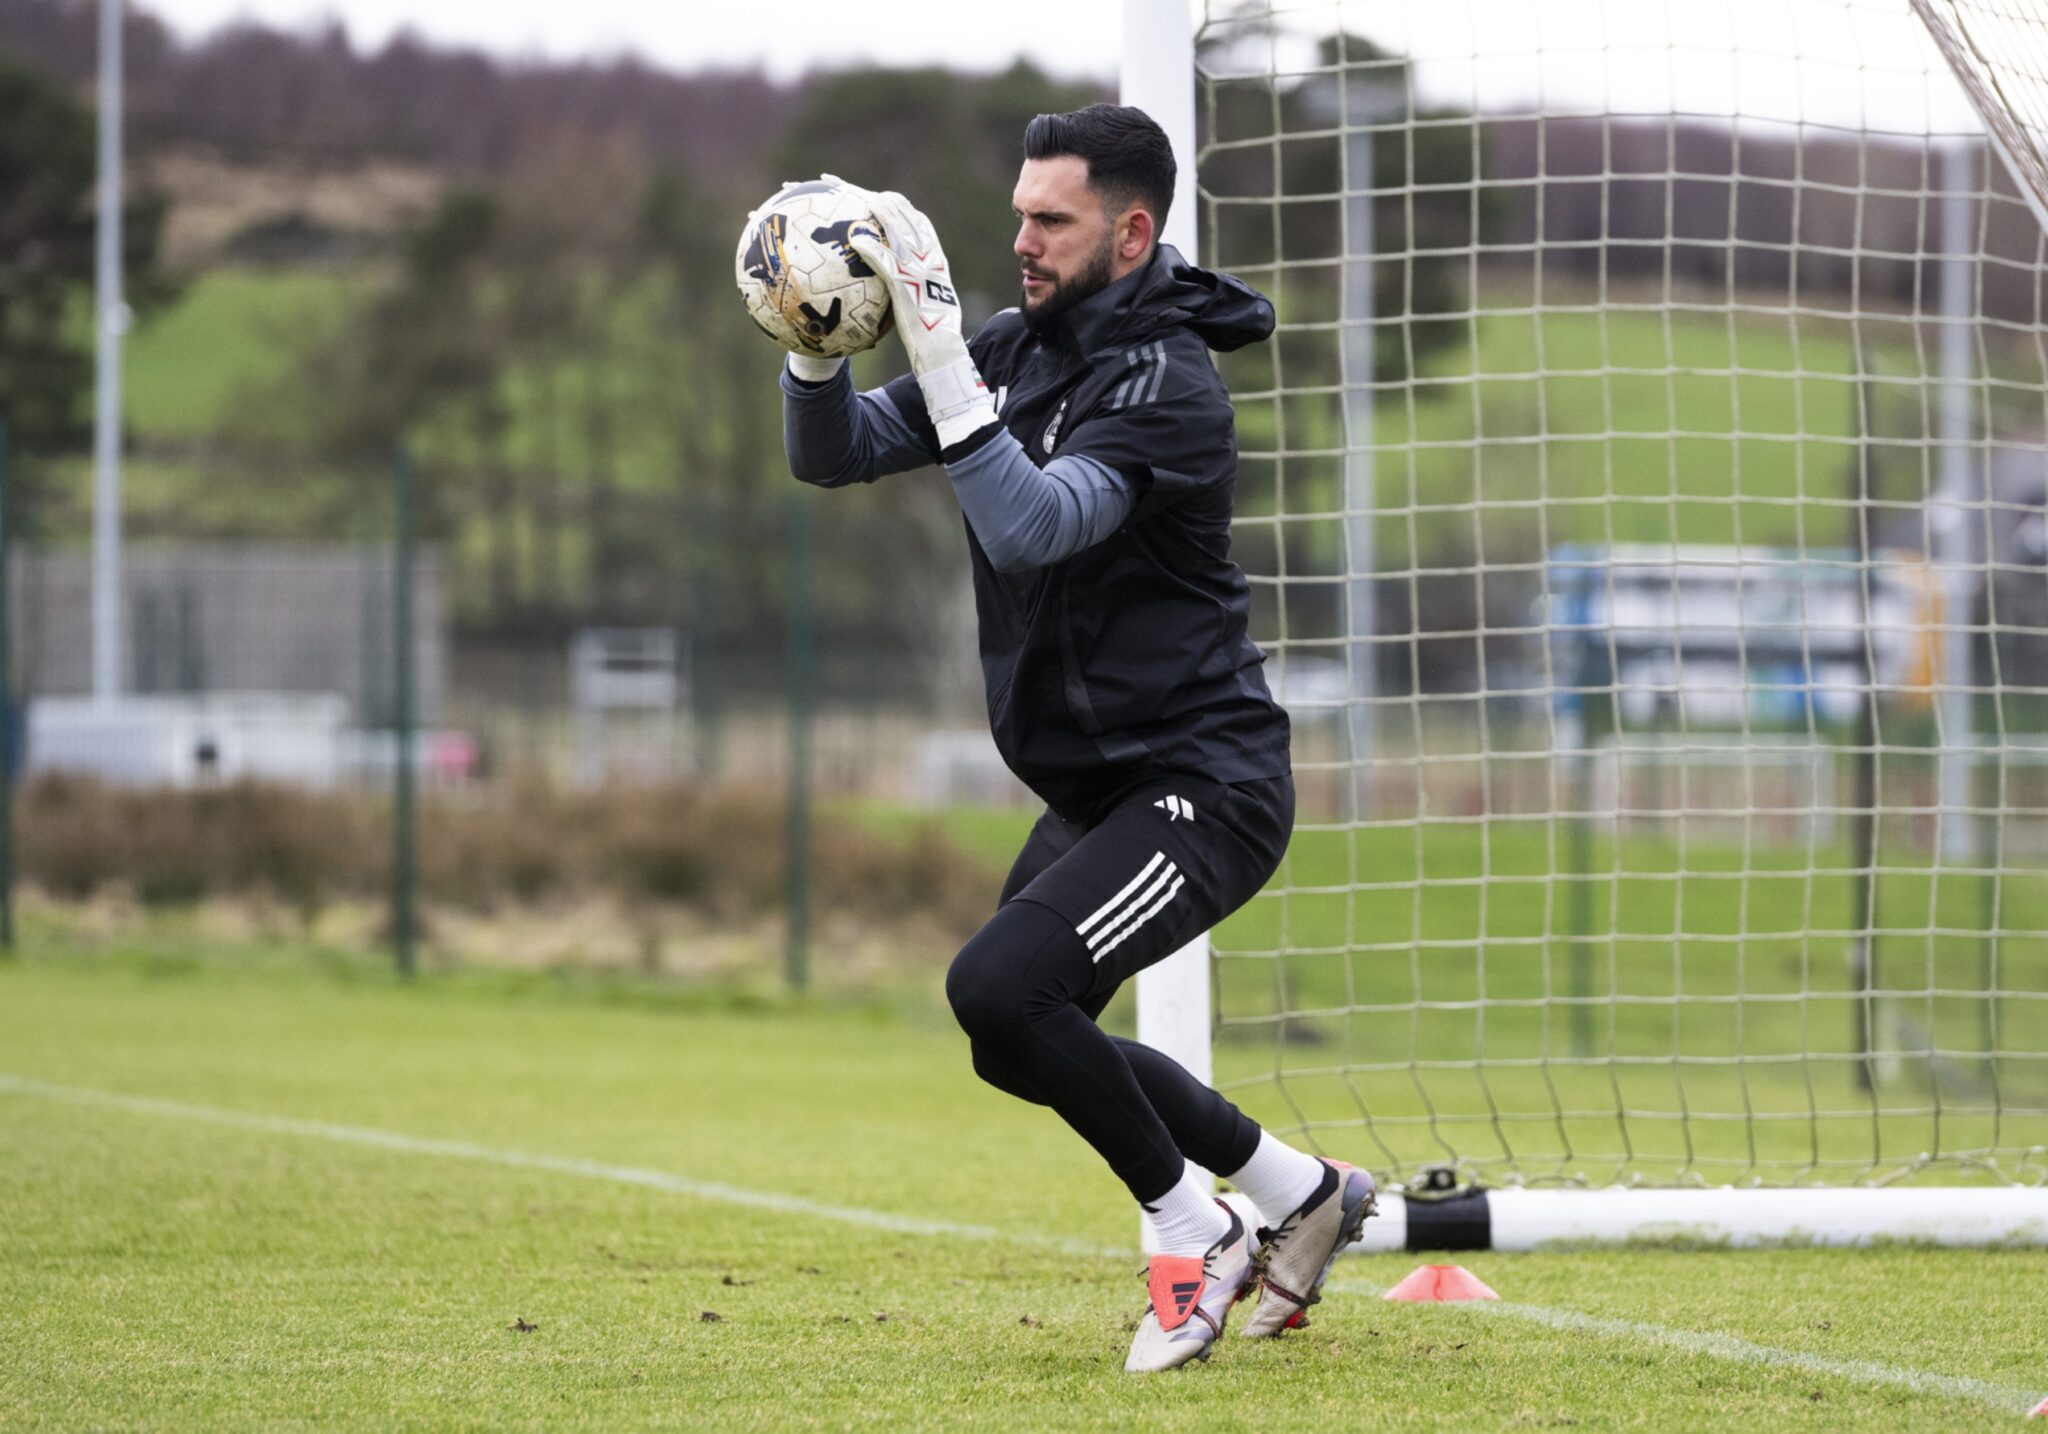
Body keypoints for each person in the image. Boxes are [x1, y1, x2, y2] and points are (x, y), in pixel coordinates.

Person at [779, 103, 1375, 1372]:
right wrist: (812, 339)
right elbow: (834, 457)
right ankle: (1297, 1190)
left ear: (1131, 232)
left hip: (1202, 785)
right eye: (1017, 216)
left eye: (1051, 220)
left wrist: (941, 353)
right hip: (1099, 791)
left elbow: (1033, 527)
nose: (1022, 241)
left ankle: (1193, 1227)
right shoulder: (1010, 349)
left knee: (999, 987)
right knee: (1012, 1038)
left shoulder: (1169, 388)